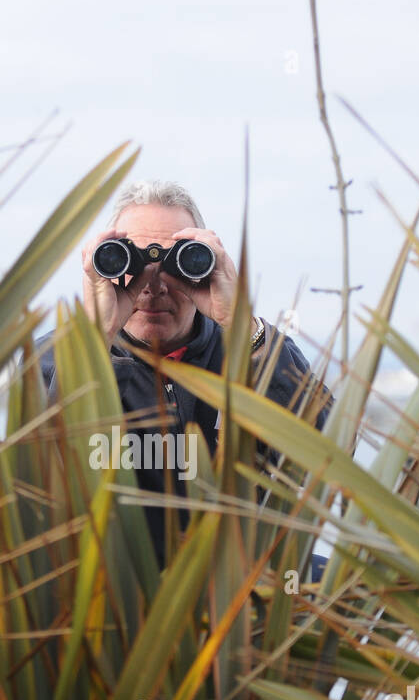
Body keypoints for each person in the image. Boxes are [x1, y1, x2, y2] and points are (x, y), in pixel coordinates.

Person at [37, 179, 331, 569]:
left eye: (180, 262)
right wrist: (93, 342)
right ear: (105, 268)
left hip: (242, 589)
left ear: (205, 268)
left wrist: (243, 327)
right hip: (115, 592)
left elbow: (327, 453)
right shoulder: (56, 359)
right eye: (134, 262)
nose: (153, 287)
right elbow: (38, 483)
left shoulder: (250, 352)